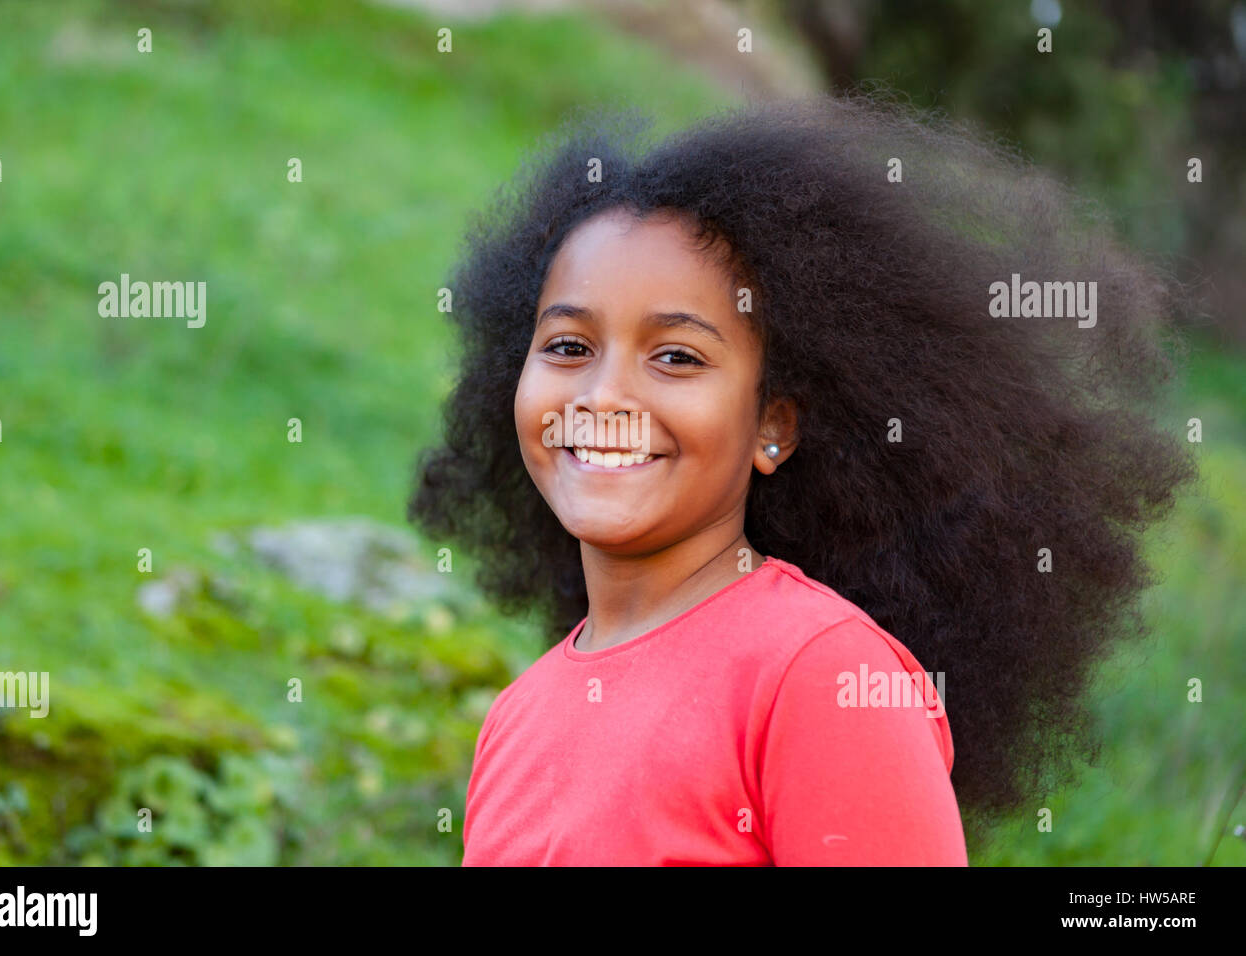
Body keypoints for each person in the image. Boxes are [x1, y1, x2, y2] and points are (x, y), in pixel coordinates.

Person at [409, 96, 1197, 865]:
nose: (602, 395)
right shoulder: (517, 715)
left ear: (772, 427)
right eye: (569, 347)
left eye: (677, 356)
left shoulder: (825, 677)